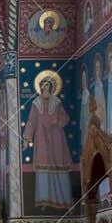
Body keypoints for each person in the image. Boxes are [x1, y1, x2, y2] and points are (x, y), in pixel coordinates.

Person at [22, 74, 75, 210]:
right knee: (43, 168)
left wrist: (57, 121)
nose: (45, 88)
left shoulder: (56, 102)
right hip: (41, 140)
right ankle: (44, 201)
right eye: (43, 86)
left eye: (47, 86)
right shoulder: (36, 104)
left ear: (51, 87)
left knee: (59, 168)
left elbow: (65, 117)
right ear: (40, 88)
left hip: (56, 138)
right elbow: (31, 121)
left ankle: (64, 200)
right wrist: (27, 139)